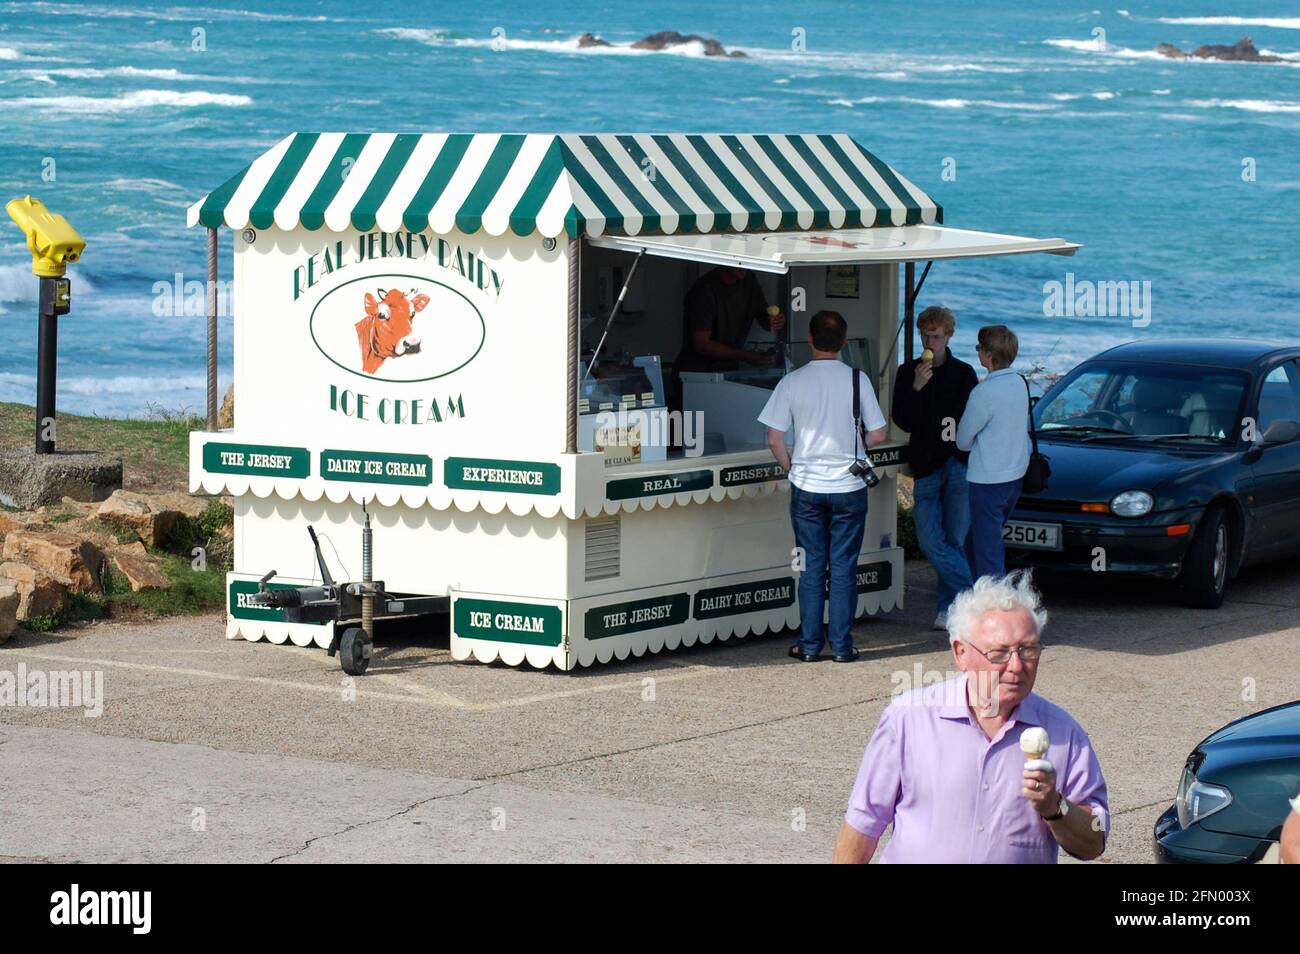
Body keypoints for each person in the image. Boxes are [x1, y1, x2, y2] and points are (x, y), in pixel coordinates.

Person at [833, 571, 1109, 863]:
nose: (1016, 666)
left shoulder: (1064, 734)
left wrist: (1056, 807)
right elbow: (863, 825)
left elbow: (1093, 843)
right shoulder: (908, 719)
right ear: (960, 653)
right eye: (1000, 653)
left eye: (1028, 649)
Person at [759, 310, 887, 663]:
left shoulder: (792, 382)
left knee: (810, 566)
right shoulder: (858, 380)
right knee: (844, 566)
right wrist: (855, 444)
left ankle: (810, 645)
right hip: (849, 486)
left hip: (807, 487)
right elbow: (878, 432)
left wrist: (792, 467)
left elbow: (774, 438)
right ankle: (843, 648)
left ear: (810, 340)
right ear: (844, 342)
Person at [891, 306, 978, 631]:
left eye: (936, 336)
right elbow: (903, 420)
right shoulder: (907, 372)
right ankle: (976, 597)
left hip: (956, 464)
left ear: (949, 336)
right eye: (926, 335)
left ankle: (949, 610)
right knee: (930, 541)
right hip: (926, 464)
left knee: (954, 539)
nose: (931, 341)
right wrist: (916, 387)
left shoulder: (964, 373)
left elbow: (969, 421)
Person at [956, 325, 1030, 579]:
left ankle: (995, 609)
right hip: (1015, 474)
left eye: (979, 348)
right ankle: (979, 595)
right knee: (975, 543)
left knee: (988, 552)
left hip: (988, 479)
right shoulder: (1020, 383)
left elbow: (963, 440)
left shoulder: (983, 392)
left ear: (987, 355)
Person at [675, 265, 785, 371]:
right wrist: (745, 356)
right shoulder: (704, 290)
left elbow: (763, 317)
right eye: (738, 259)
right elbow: (703, 345)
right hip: (695, 374)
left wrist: (775, 321)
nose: (743, 265)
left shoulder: (749, 280)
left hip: (728, 371)